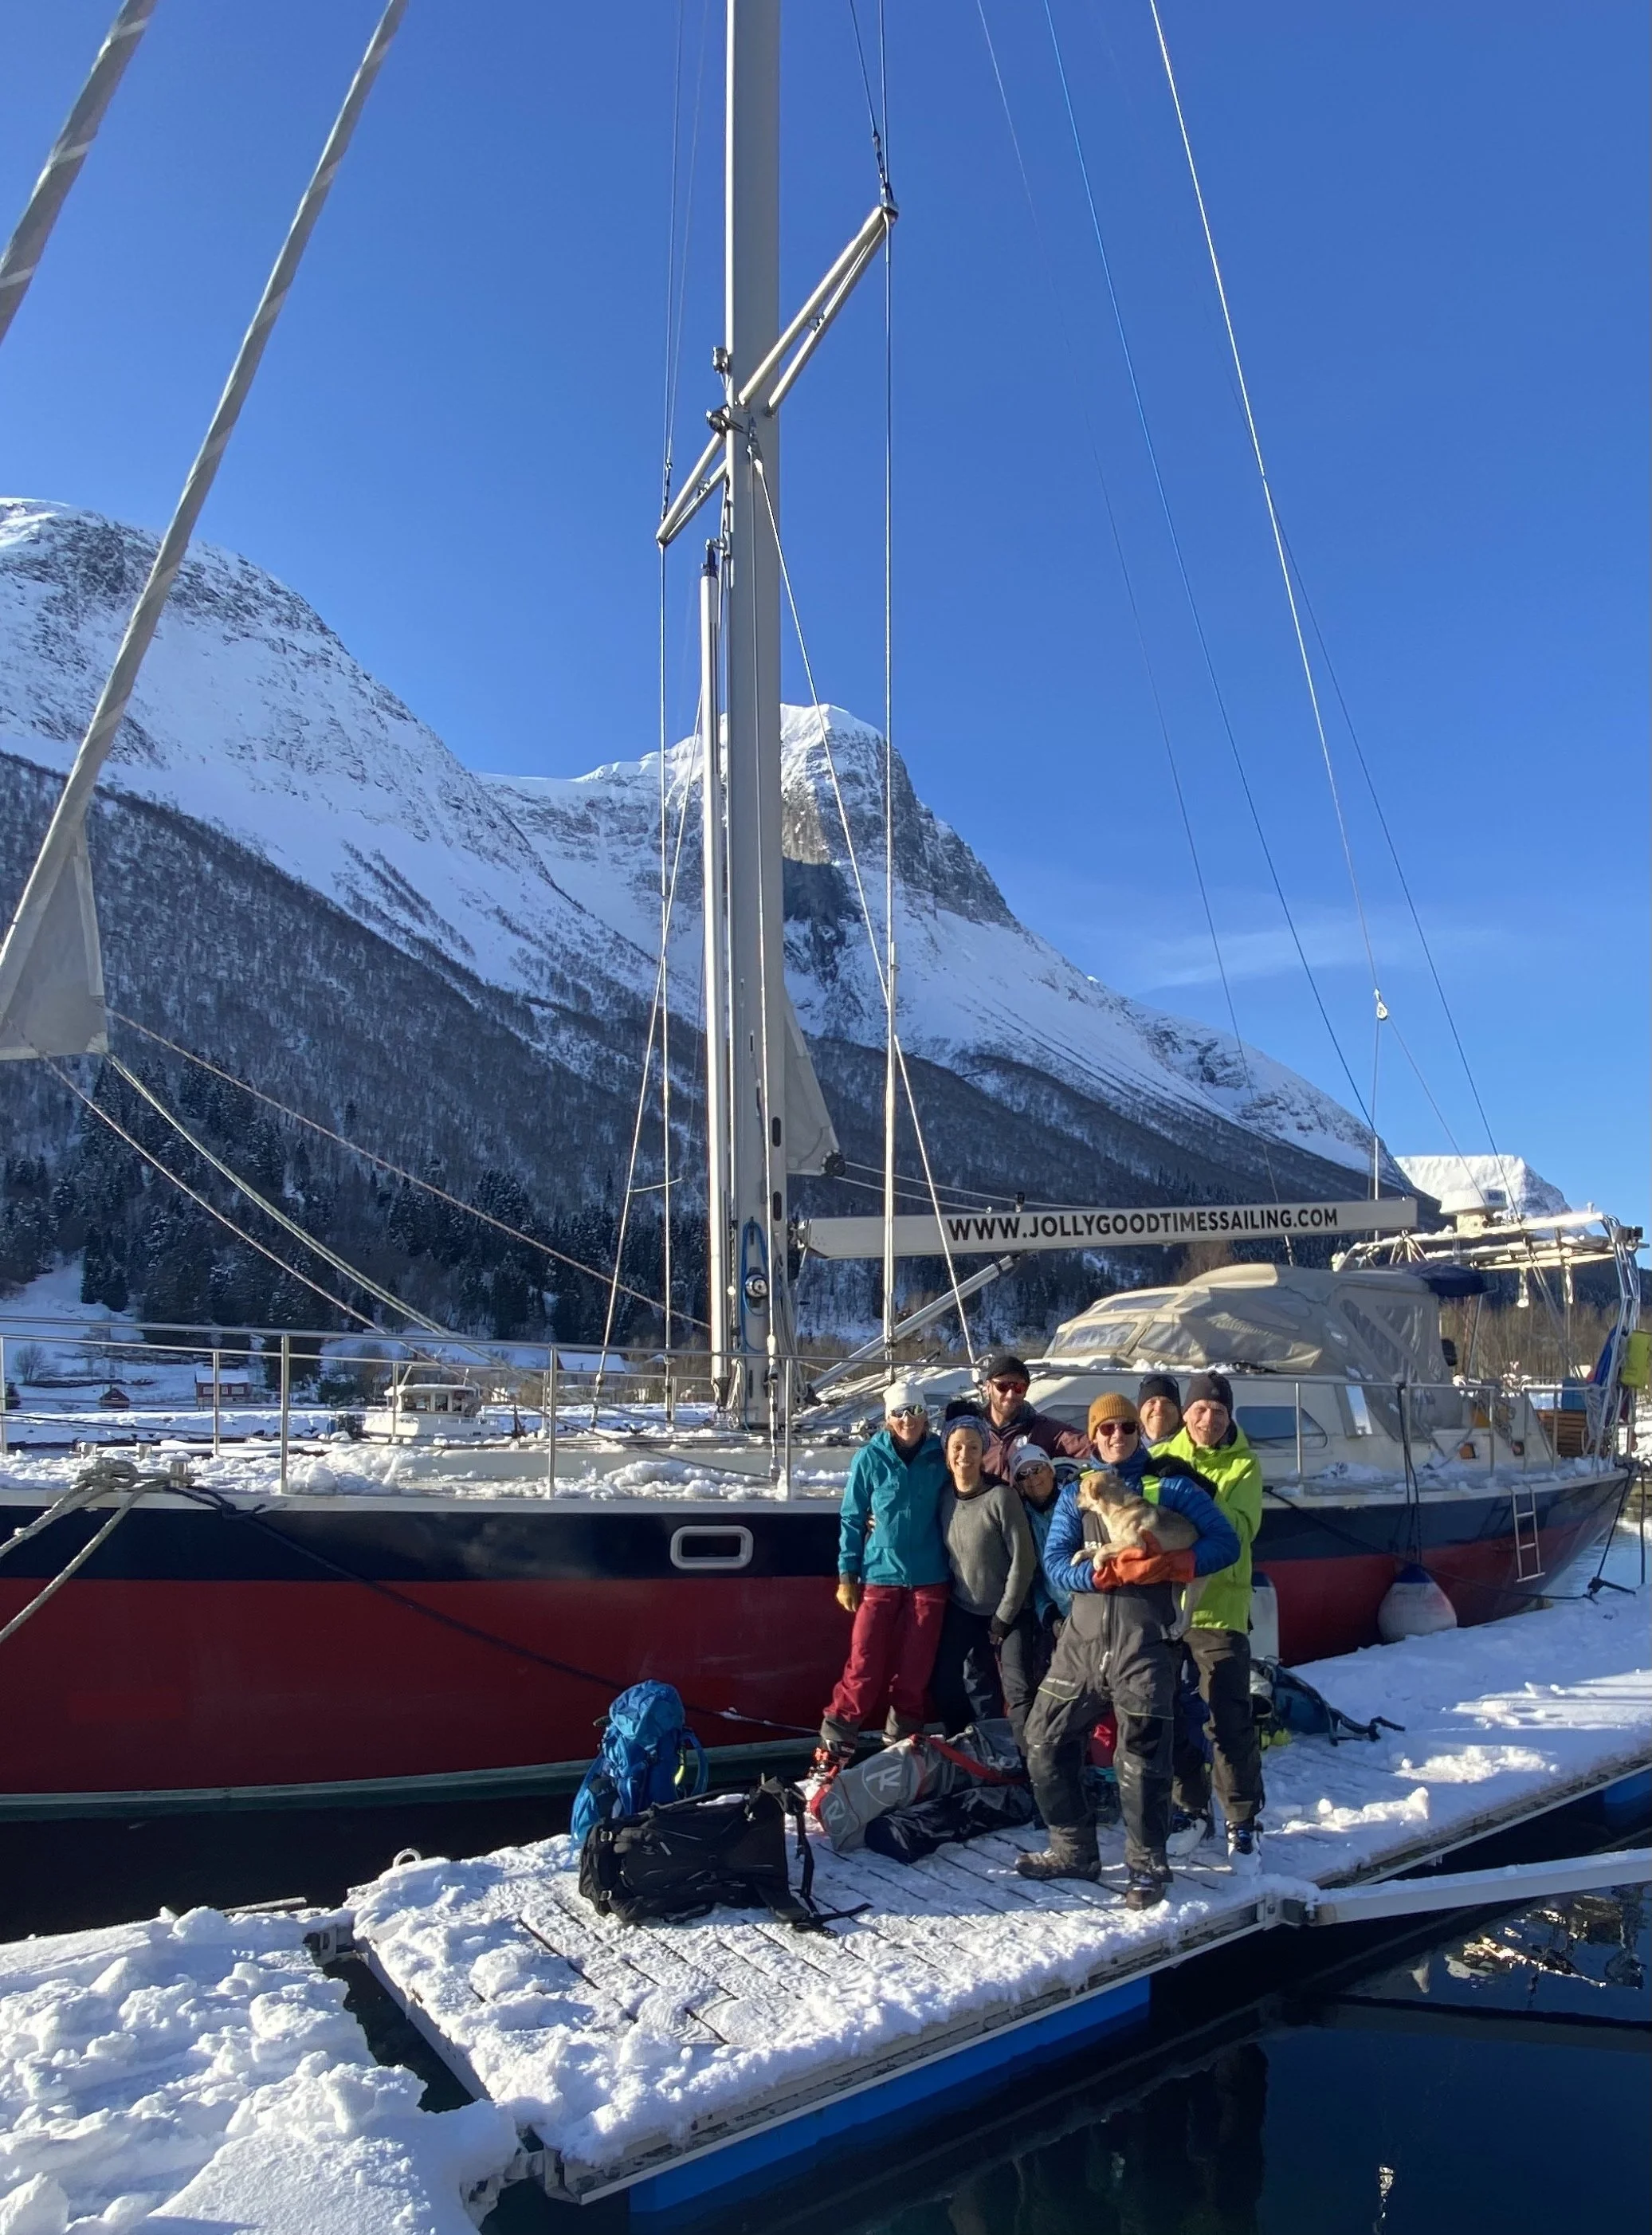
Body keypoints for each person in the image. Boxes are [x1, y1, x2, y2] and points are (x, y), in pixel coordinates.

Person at [1014, 1418, 1240, 1909]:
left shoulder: (1173, 1487)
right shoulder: (1076, 1496)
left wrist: (1176, 1564)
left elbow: (1226, 1543)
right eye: (1106, 1428)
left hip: (1146, 1642)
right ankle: (1072, 1850)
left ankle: (1147, 1867)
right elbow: (1054, 1562)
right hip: (1082, 1641)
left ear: (1139, 1433)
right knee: (1042, 1738)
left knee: (1142, 1755)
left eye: (1127, 1427)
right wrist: (1103, 1577)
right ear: (1092, 1437)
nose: (1117, 1436)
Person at [1155, 1369, 1267, 1871]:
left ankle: (1242, 1822)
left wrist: (1196, 1494)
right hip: (1164, 1602)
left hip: (1219, 1606)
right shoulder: (1159, 1456)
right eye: (1200, 1409)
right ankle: (1189, 1809)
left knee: (1228, 1715)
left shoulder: (1244, 1464)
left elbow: (1240, 1529)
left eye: (1218, 1411)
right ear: (1186, 1412)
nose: (1207, 1419)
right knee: (1170, 1713)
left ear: (1229, 1416)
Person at [816, 1381, 950, 1770]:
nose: (907, 1420)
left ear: (926, 1415)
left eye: (915, 1411)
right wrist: (847, 1572)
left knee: (914, 1672)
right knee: (863, 1666)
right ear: (888, 1418)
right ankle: (834, 1747)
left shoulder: (939, 1456)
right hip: (880, 1577)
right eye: (899, 1413)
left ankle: (902, 1748)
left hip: (930, 1577)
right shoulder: (870, 1459)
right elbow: (852, 1518)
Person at [929, 1416, 1037, 1735]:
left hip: (1012, 1610)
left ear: (983, 1452)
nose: (965, 1455)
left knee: (1017, 1689)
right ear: (947, 1453)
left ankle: (1024, 1760)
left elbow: (1024, 1560)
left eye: (973, 1447)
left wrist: (1003, 1617)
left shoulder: (1001, 1497)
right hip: (966, 1607)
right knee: (950, 1681)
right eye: (957, 1447)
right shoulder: (944, 1497)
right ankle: (971, 1747)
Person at [999, 1441, 1071, 1745]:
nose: (1033, 1478)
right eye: (1023, 1475)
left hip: (1090, 1607)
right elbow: (1035, 1576)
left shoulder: (1076, 1503)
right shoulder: (1023, 1517)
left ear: (1051, 1471)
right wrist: (1049, 1614)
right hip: (1055, 1612)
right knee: (1048, 1687)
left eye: (1038, 1469)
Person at [943, 1348, 1089, 1485]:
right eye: (1003, 1387)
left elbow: (1095, 1447)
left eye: (1018, 1388)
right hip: (980, 1509)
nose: (1011, 1394)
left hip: (1021, 1511)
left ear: (1026, 1391)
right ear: (988, 1388)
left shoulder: (1042, 1429)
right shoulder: (972, 1430)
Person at [1137, 1373, 1183, 1450]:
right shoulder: (1125, 1447)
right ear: (1139, 1411)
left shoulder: (1190, 1448)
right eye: (1152, 1402)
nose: (1159, 1408)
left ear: (1179, 1412)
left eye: (1167, 1403)